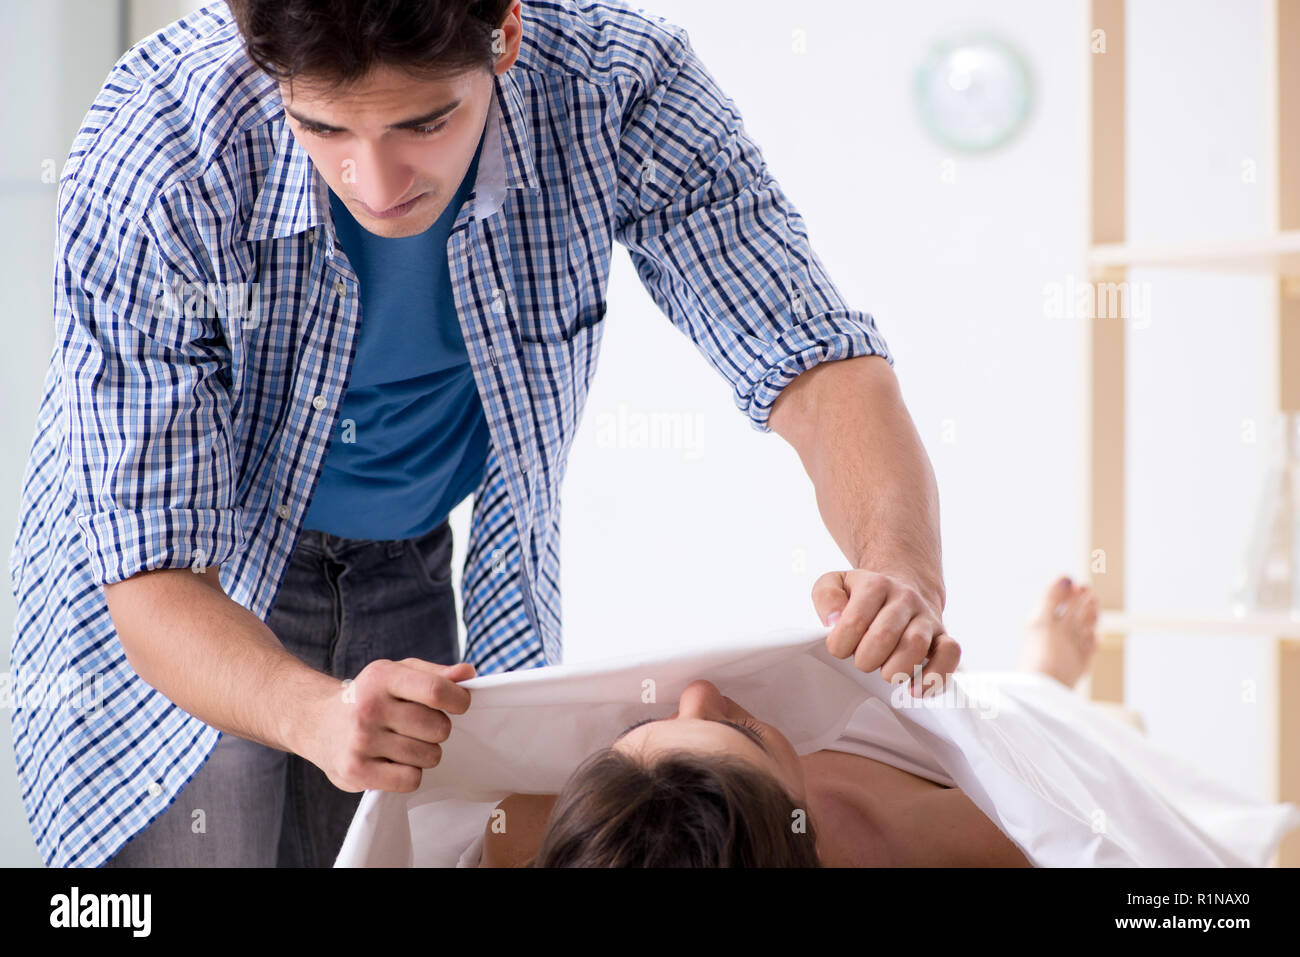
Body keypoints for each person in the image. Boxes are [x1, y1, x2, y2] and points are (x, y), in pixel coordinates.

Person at [10, 0, 957, 868]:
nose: (373, 186)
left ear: (504, 35)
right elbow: (154, 567)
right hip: (184, 592)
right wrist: (311, 709)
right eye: (324, 128)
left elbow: (816, 364)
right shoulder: (158, 146)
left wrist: (901, 565)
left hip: (405, 561)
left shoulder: (620, 87)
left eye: (425, 123)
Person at [478, 575, 1121, 866]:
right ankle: (1044, 684)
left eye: (634, 733)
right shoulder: (962, 838)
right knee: (1027, 724)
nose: (699, 690)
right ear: (796, 820)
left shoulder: (523, 836)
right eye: (742, 731)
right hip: (1004, 763)